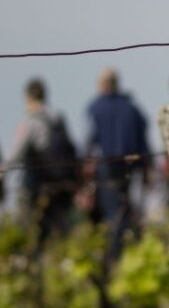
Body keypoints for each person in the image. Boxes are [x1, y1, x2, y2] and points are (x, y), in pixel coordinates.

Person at [86, 69, 150, 261]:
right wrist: (146, 167)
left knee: (112, 212)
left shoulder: (95, 108)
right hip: (130, 166)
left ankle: (114, 257)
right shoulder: (133, 109)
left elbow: (90, 141)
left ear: (102, 86)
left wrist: (85, 165)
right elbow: (143, 141)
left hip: (106, 166)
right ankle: (129, 249)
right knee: (126, 207)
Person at [11, 78, 78, 245]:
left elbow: (16, 153)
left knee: (30, 233)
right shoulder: (57, 119)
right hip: (58, 184)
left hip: (34, 186)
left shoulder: (31, 121)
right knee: (59, 232)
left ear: (28, 97)